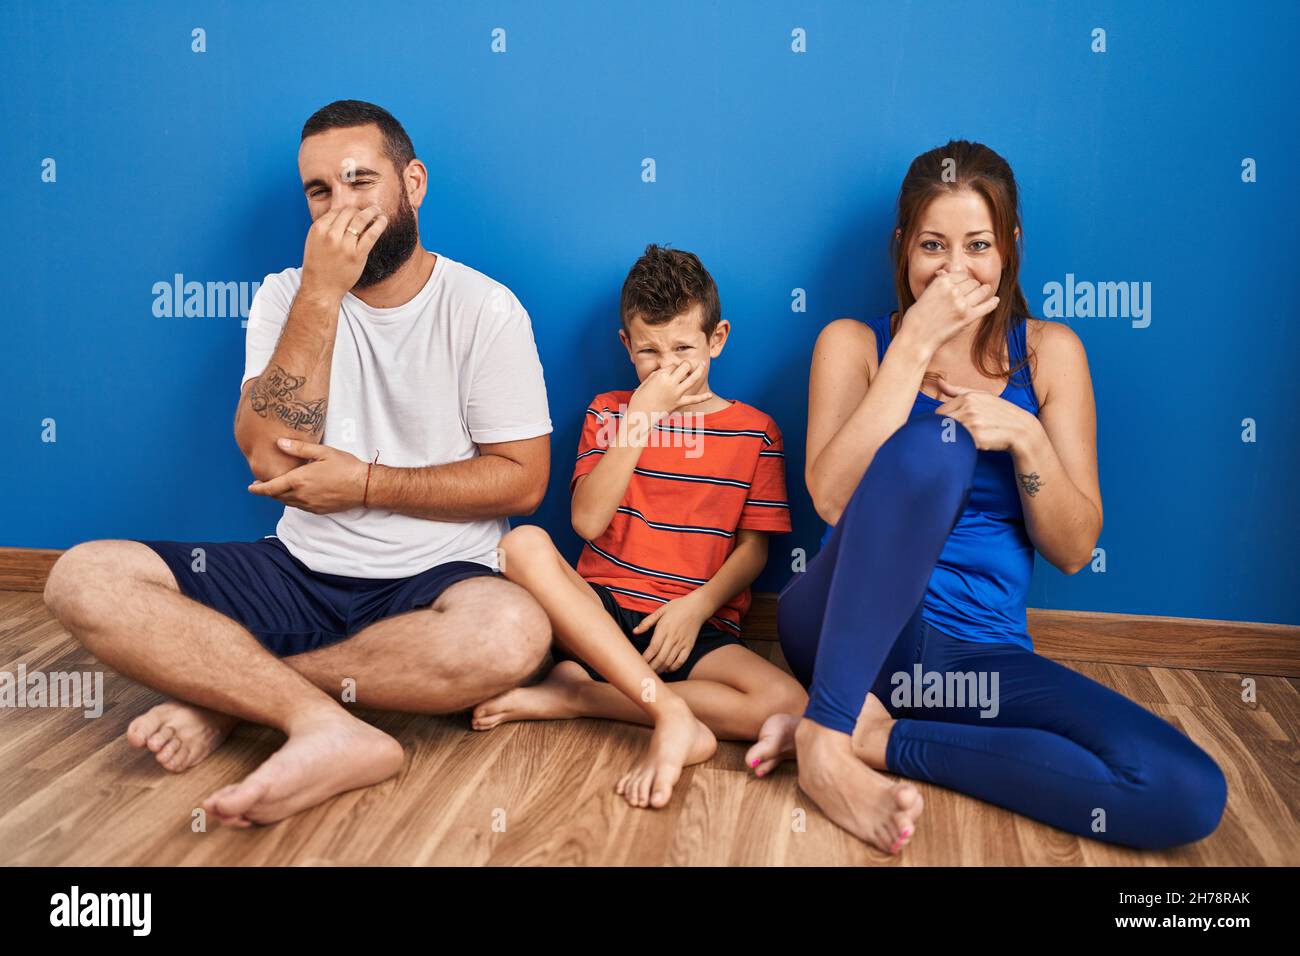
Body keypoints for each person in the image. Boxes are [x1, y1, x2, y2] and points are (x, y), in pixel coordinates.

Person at [41, 100, 555, 827]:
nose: (340, 206)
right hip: (297, 570)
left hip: (439, 581)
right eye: (320, 190)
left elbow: (522, 480)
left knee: (514, 634)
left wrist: (367, 483)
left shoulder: (485, 308)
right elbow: (268, 453)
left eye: (359, 181)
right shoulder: (287, 293)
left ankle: (230, 698)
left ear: (413, 184)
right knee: (83, 577)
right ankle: (326, 723)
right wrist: (321, 292)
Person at [760, 140, 1227, 854]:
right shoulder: (853, 344)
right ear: (902, 249)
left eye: (977, 245)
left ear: (1010, 246)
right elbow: (827, 498)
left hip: (978, 661)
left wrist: (1029, 440)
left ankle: (878, 737)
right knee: (941, 447)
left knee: (1186, 791)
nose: (954, 270)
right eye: (932, 246)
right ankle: (828, 731)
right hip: (843, 632)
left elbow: (1074, 551)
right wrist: (912, 347)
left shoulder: (1050, 354)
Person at [471, 245, 807, 809]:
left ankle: (581, 698)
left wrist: (697, 607)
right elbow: (586, 521)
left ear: (716, 340)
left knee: (788, 705)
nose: (665, 366)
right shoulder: (609, 412)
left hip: (691, 620)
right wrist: (642, 417)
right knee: (522, 543)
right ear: (626, 346)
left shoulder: (756, 431)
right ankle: (662, 708)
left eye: (682, 348)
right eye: (649, 351)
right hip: (598, 611)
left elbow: (753, 551)